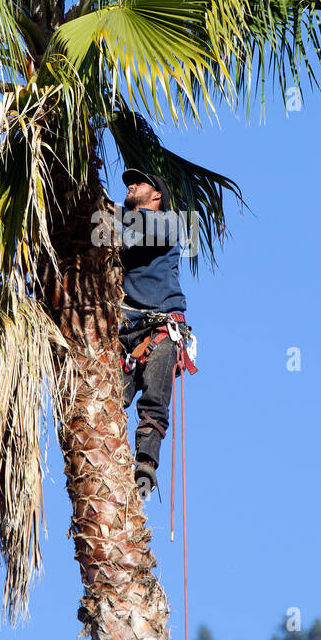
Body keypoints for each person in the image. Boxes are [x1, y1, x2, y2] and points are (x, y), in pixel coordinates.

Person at [117, 168, 195, 503]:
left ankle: (146, 466)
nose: (130, 185)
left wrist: (103, 212)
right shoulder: (121, 234)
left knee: (153, 402)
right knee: (110, 396)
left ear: (157, 196)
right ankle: (110, 459)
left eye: (138, 182)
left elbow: (141, 226)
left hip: (163, 330)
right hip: (124, 334)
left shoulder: (170, 224)